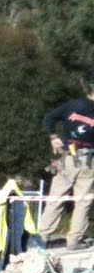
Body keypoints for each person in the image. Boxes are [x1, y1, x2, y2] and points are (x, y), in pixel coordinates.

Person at [40, 82, 94, 248]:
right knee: (83, 201)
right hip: (87, 161)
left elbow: (49, 117)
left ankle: (42, 237)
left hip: (70, 159)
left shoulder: (72, 105)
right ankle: (74, 240)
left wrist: (53, 136)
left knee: (56, 198)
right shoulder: (75, 104)